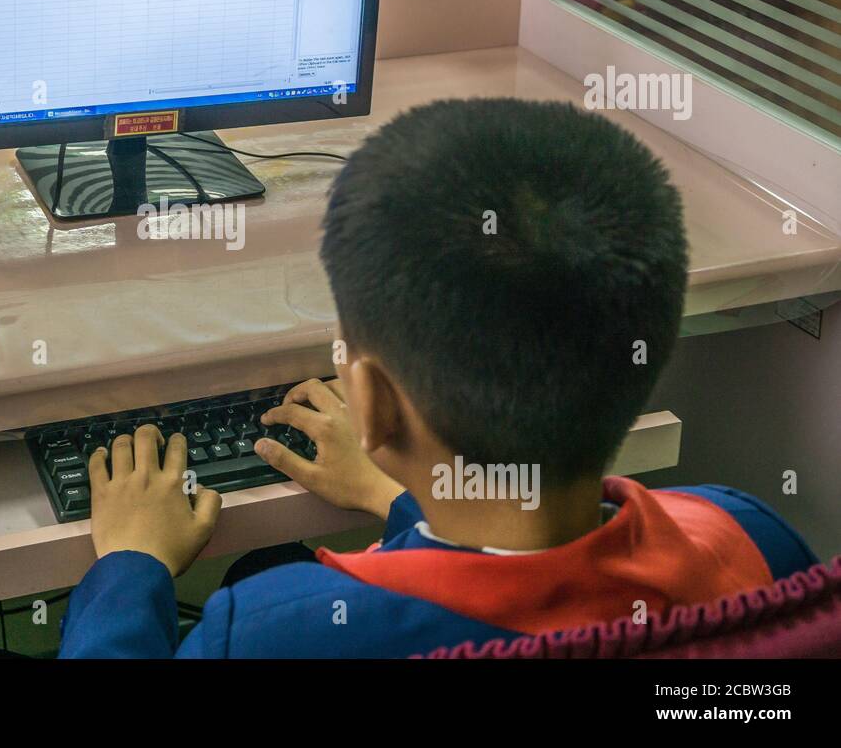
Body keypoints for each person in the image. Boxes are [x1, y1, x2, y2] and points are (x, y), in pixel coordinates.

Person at [57, 97, 819, 658]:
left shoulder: (267, 636)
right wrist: (401, 498)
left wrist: (132, 564)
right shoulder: (752, 540)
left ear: (374, 405)